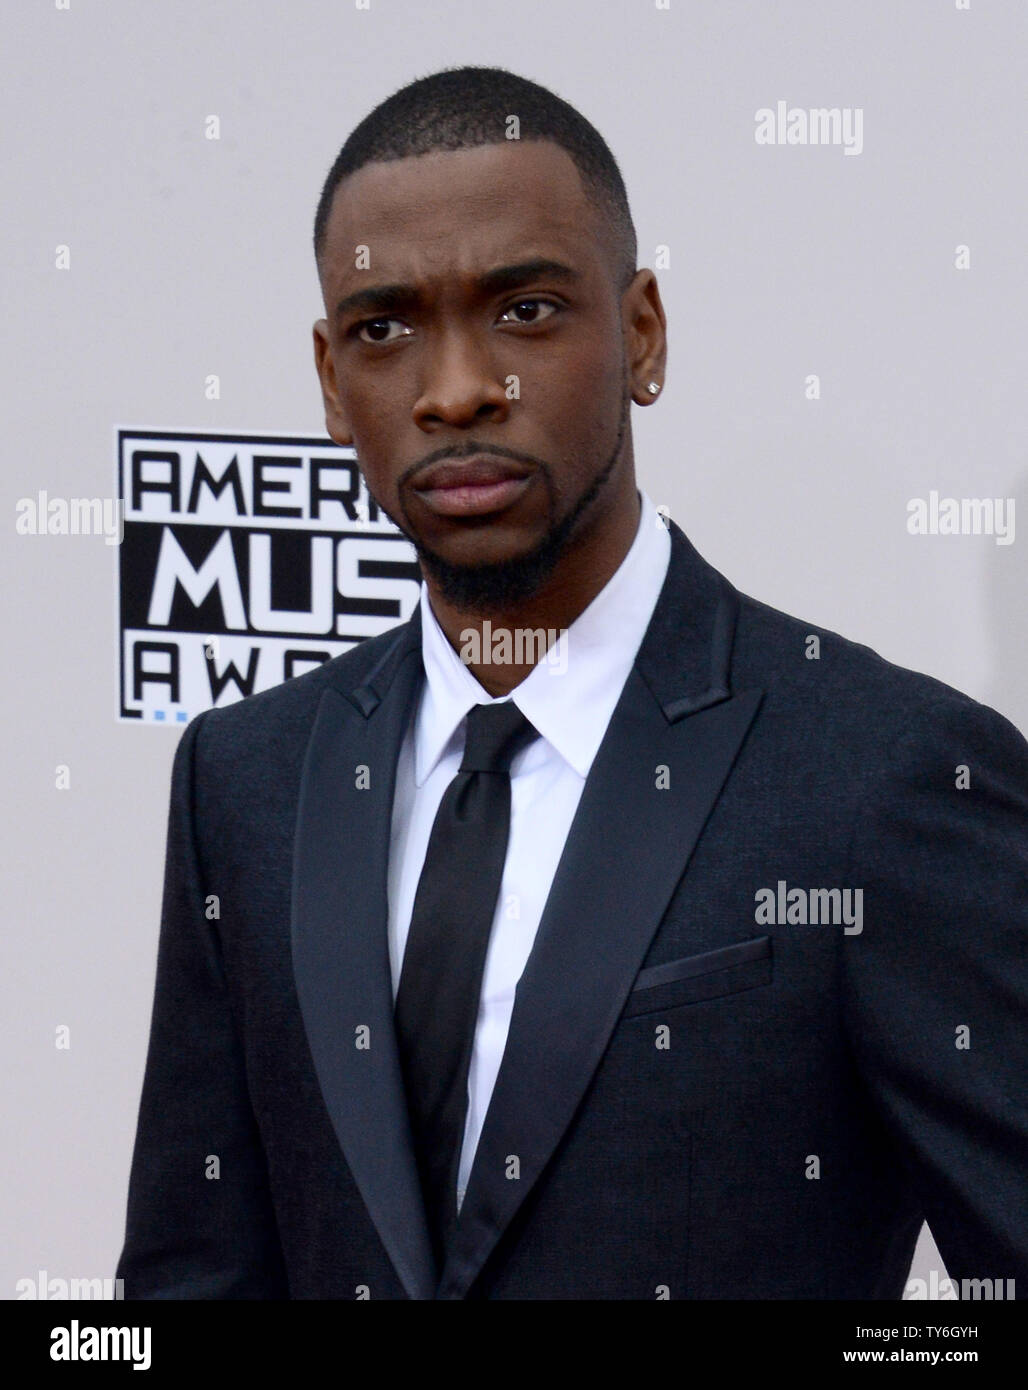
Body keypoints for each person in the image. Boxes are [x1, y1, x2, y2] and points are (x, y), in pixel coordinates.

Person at [115, 65, 1028, 1300]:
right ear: (331, 383)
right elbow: (190, 1282)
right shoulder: (243, 781)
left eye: (524, 310)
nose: (451, 388)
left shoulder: (882, 777)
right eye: (384, 328)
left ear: (640, 332)